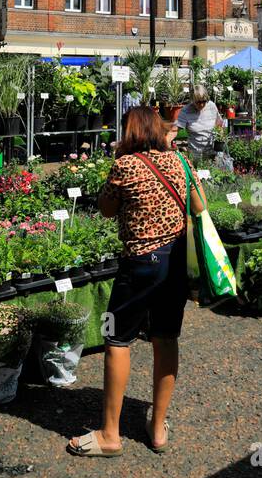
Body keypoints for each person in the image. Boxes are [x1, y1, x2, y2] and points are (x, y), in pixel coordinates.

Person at [67, 106, 206, 458]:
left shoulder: (125, 165)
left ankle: (110, 434)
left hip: (140, 264)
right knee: (166, 337)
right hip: (174, 263)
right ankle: (158, 429)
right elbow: (200, 206)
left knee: (117, 339)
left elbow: (106, 209)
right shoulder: (180, 162)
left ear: (131, 131)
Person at [176, 85, 224, 157]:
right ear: (193, 100)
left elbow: (219, 125)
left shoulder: (212, 106)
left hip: (212, 153)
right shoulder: (186, 110)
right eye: (198, 102)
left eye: (204, 101)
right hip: (195, 154)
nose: (201, 105)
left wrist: (220, 139)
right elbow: (175, 130)